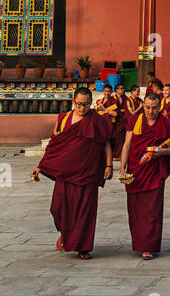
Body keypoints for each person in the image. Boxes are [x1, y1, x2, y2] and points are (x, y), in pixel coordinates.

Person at [30, 87, 116, 259]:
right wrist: (41, 166)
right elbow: (55, 145)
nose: (82, 108)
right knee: (57, 208)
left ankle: (83, 248)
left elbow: (105, 143)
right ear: (72, 102)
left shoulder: (97, 121)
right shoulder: (63, 119)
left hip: (88, 172)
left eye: (85, 105)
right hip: (66, 173)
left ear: (91, 104)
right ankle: (66, 233)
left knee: (85, 211)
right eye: (78, 104)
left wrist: (108, 166)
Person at [119, 92, 170, 260]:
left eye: (154, 108)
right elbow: (127, 145)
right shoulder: (135, 120)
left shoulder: (166, 123)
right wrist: (122, 168)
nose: (150, 111)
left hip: (154, 174)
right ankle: (139, 243)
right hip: (135, 171)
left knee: (152, 211)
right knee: (136, 211)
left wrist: (159, 151)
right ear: (143, 106)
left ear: (159, 107)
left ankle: (149, 246)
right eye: (147, 107)